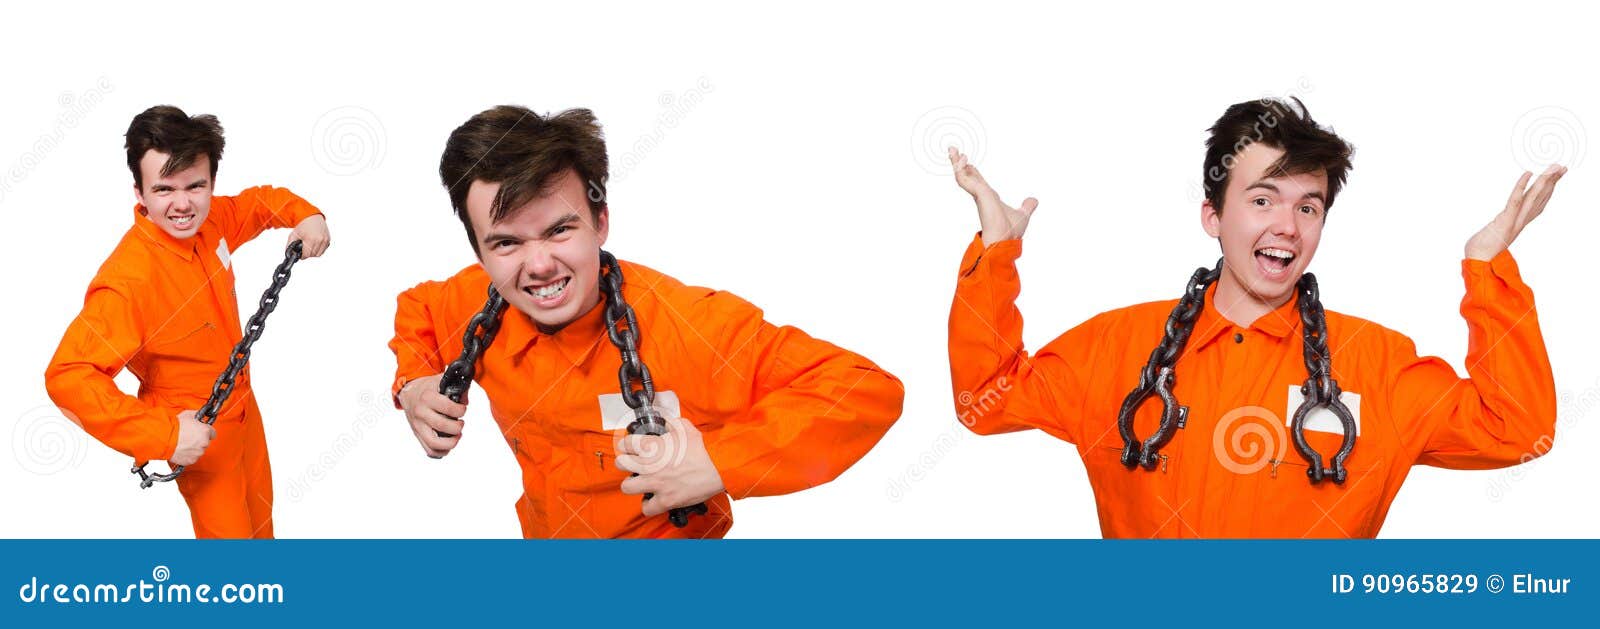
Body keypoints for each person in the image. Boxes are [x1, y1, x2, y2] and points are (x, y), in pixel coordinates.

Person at [946, 97, 1565, 537]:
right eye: (1262, 199)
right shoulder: (1115, 347)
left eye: (1308, 207)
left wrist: (1487, 269)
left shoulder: (1378, 366)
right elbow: (986, 398)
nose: (1287, 227)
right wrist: (996, 253)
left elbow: (1516, 429)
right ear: (1213, 216)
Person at [390, 105, 903, 538]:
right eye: (507, 242)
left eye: (560, 230)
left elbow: (862, 390)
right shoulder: (473, 303)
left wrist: (721, 461)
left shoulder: (694, 328)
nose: (540, 264)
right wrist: (414, 382)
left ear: (600, 222)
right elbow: (419, 307)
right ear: (480, 253)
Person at [45, 105, 332, 538]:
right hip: (200, 430)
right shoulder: (128, 282)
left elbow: (259, 203)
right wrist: (165, 435)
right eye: (163, 189)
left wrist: (306, 214)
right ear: (139, 192)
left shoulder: (212, 221)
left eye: (195, 186)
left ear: (211, 183)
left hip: (245, 411)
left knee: (263, 531)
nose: (182, 204)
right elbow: (68, 378)